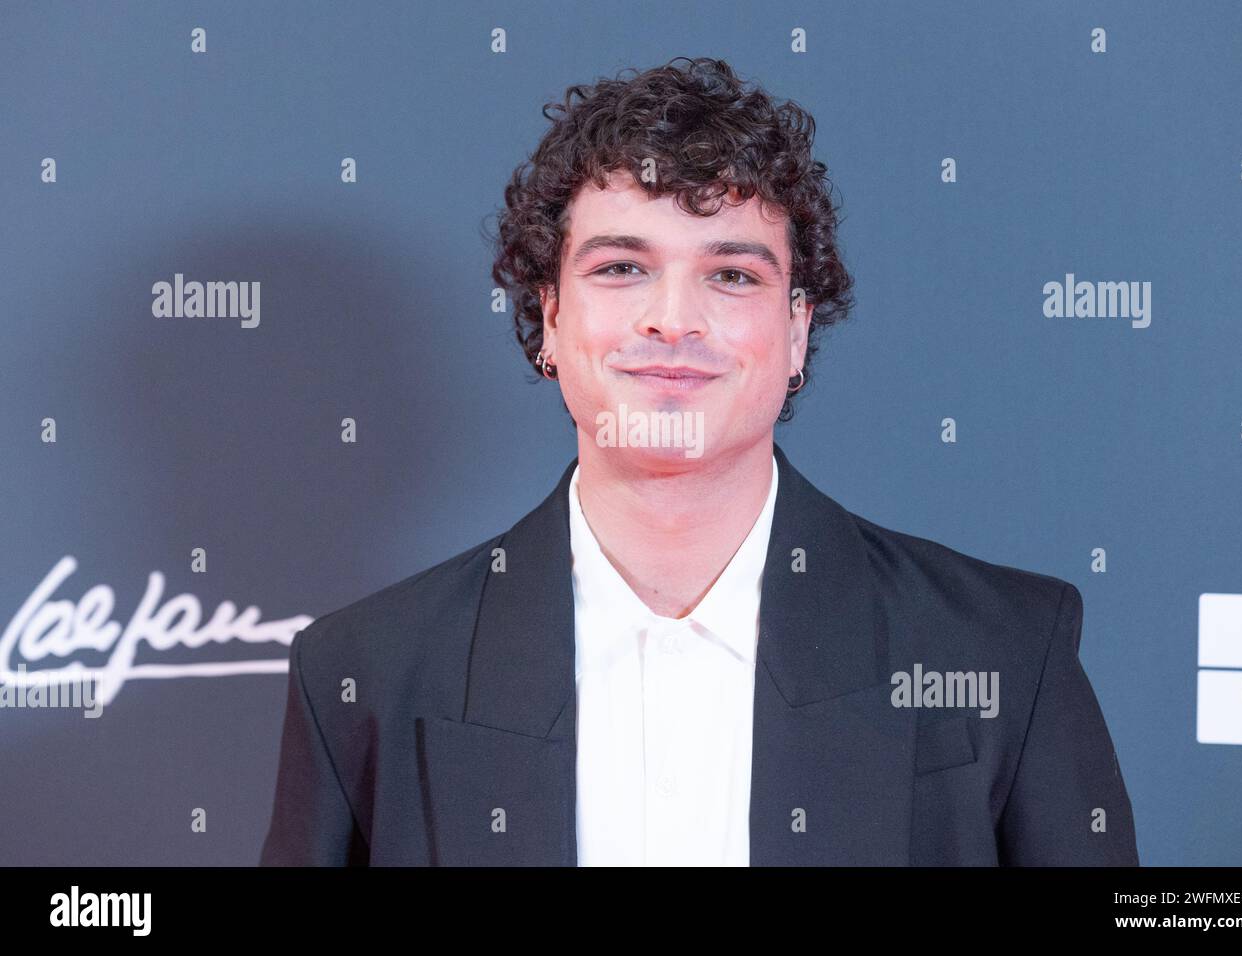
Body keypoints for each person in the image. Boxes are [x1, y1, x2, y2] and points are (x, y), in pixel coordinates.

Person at [259, 56, 1138, 866]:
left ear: (796, 330)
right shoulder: (367, 674)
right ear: (551, 318)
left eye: (732, 275)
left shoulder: (1003, 652)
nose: (673, 320)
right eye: (620, 268)